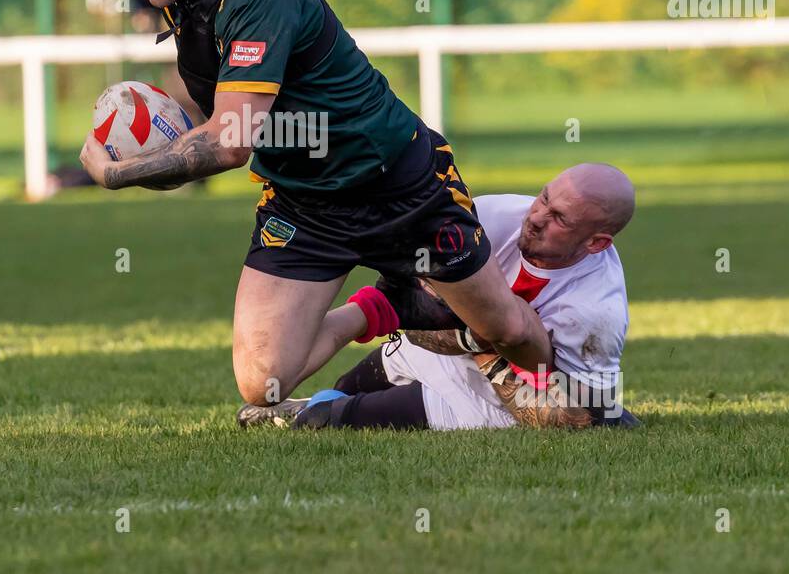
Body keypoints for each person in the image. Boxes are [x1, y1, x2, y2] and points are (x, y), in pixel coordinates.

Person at [77, 0, 554, 407]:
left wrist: (118, 174)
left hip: (396, 183)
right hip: (304, 201)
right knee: (263, 384)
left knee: (510, 333)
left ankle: (579, 390)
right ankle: (384, 306)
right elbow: (224, 115)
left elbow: (230, 144)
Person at [238, 164, 642, 430]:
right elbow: (416, 310)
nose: (536, 218)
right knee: (346, 385)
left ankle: (307, 413)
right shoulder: (491, 217)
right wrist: (475, 331)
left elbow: (572, 418)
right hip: (446, 350)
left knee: (330, 419)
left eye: (559, 219)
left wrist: (485, 342)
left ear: (595, 243)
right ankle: (303, 403)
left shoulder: (593, 312)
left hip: (497, 399)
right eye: (544, 198)